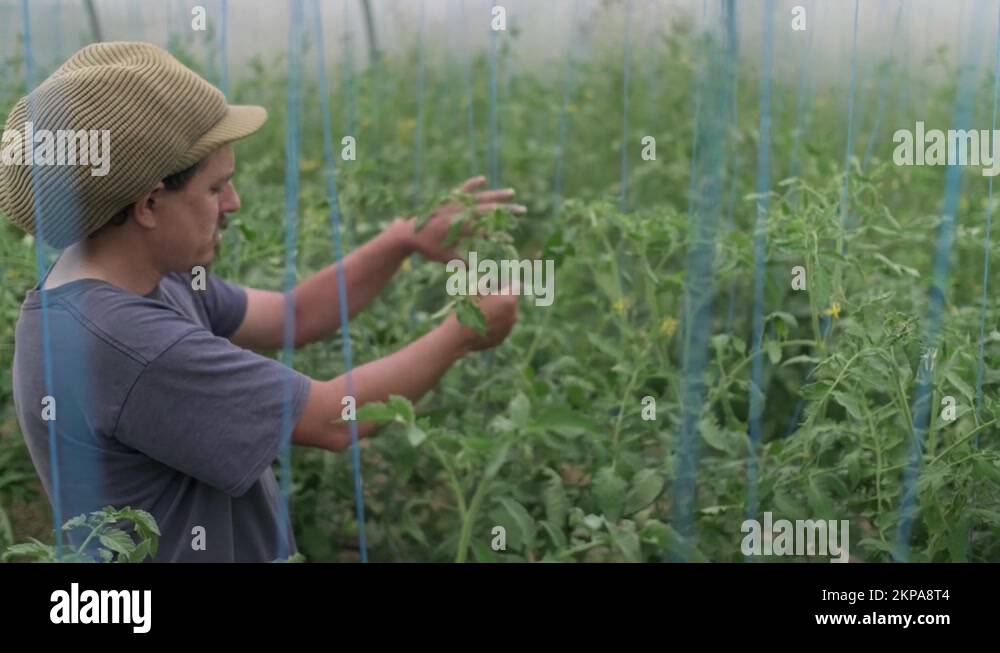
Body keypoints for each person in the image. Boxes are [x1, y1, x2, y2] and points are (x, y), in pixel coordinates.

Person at [1, 42, 521, 562]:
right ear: (150, 204)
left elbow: (295, 315)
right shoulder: (125, 344)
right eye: (216, 188)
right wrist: (462, 334)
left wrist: (402, 238)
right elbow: (334, 419)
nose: (234, 203)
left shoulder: (141, 281)